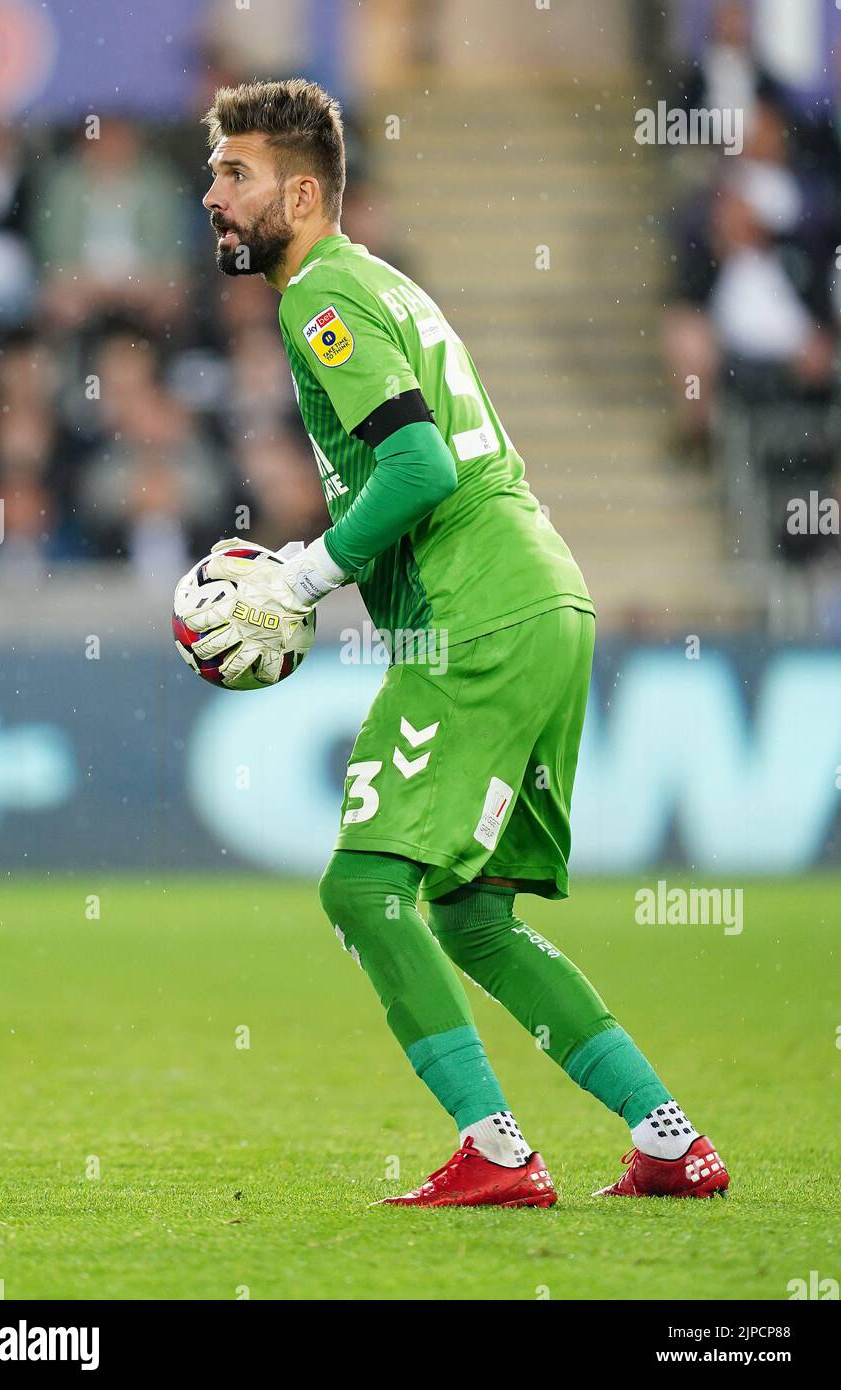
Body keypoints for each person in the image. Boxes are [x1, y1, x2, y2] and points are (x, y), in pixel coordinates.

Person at [186, 78, 729, 1206]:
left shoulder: (317, 295)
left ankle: (495, 1147)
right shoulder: (376, 282)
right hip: (544, 600)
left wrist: (304, 570)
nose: (212, 196)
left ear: (300, 189)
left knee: (361, 890)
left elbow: (421, 466)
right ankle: (668, 1138)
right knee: (473, 914)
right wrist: (326, 559)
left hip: (474, 617)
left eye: (233, 175)